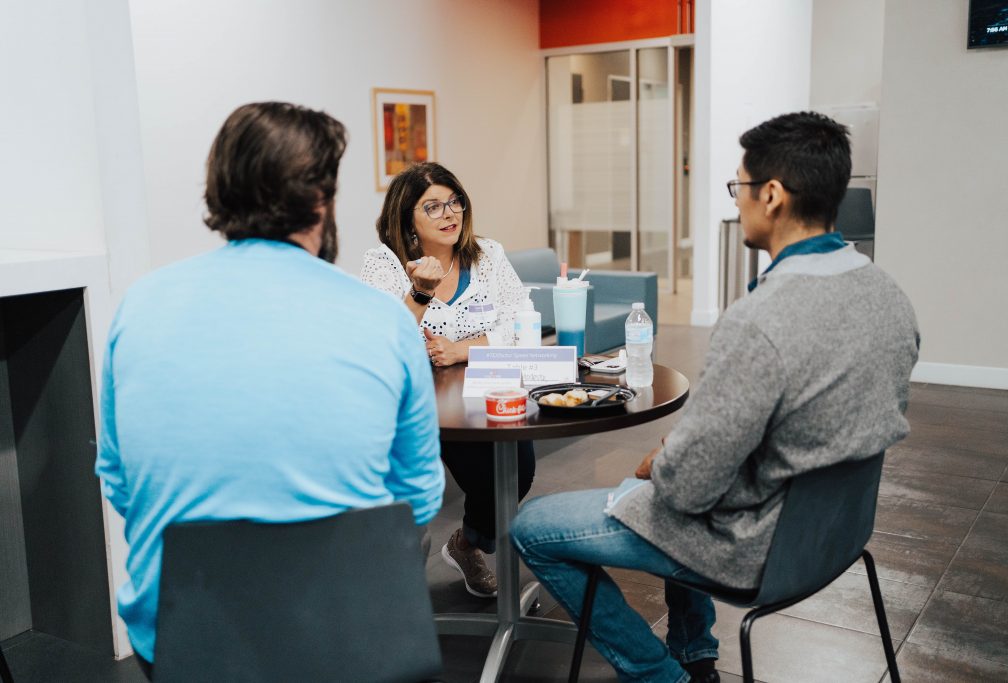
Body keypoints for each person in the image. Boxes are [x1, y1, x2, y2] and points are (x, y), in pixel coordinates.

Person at [510, 111, 920, 683]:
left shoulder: (761, 320)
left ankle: (660, 676)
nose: (738, 201)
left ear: (772, 195)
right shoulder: (889, 296)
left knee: (533, 524)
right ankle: (695, 653)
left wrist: (666, 461)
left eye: (740, 187)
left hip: (753, 545)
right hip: (837, 532)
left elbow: (687, 486)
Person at [95, 102, 445, 678]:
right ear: (320, 201)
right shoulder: (380, 319)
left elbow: (118, 479)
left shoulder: (140, 305)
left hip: (184, 634)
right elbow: (419, 497)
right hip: (345, 635)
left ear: (220, 192)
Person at [361, 162, 534, 598]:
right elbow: (380, 341)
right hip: (415, 403)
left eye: (454, 201)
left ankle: (466, 543)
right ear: (409, 221)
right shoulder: (385, 264)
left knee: (515, 472)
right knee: (423, 493)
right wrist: (418, 293)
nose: (449, 213)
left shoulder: (487, 255)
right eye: (433, 206)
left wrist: (465, 348)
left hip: (484, 391)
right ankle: (395, 604)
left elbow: (524, 321)